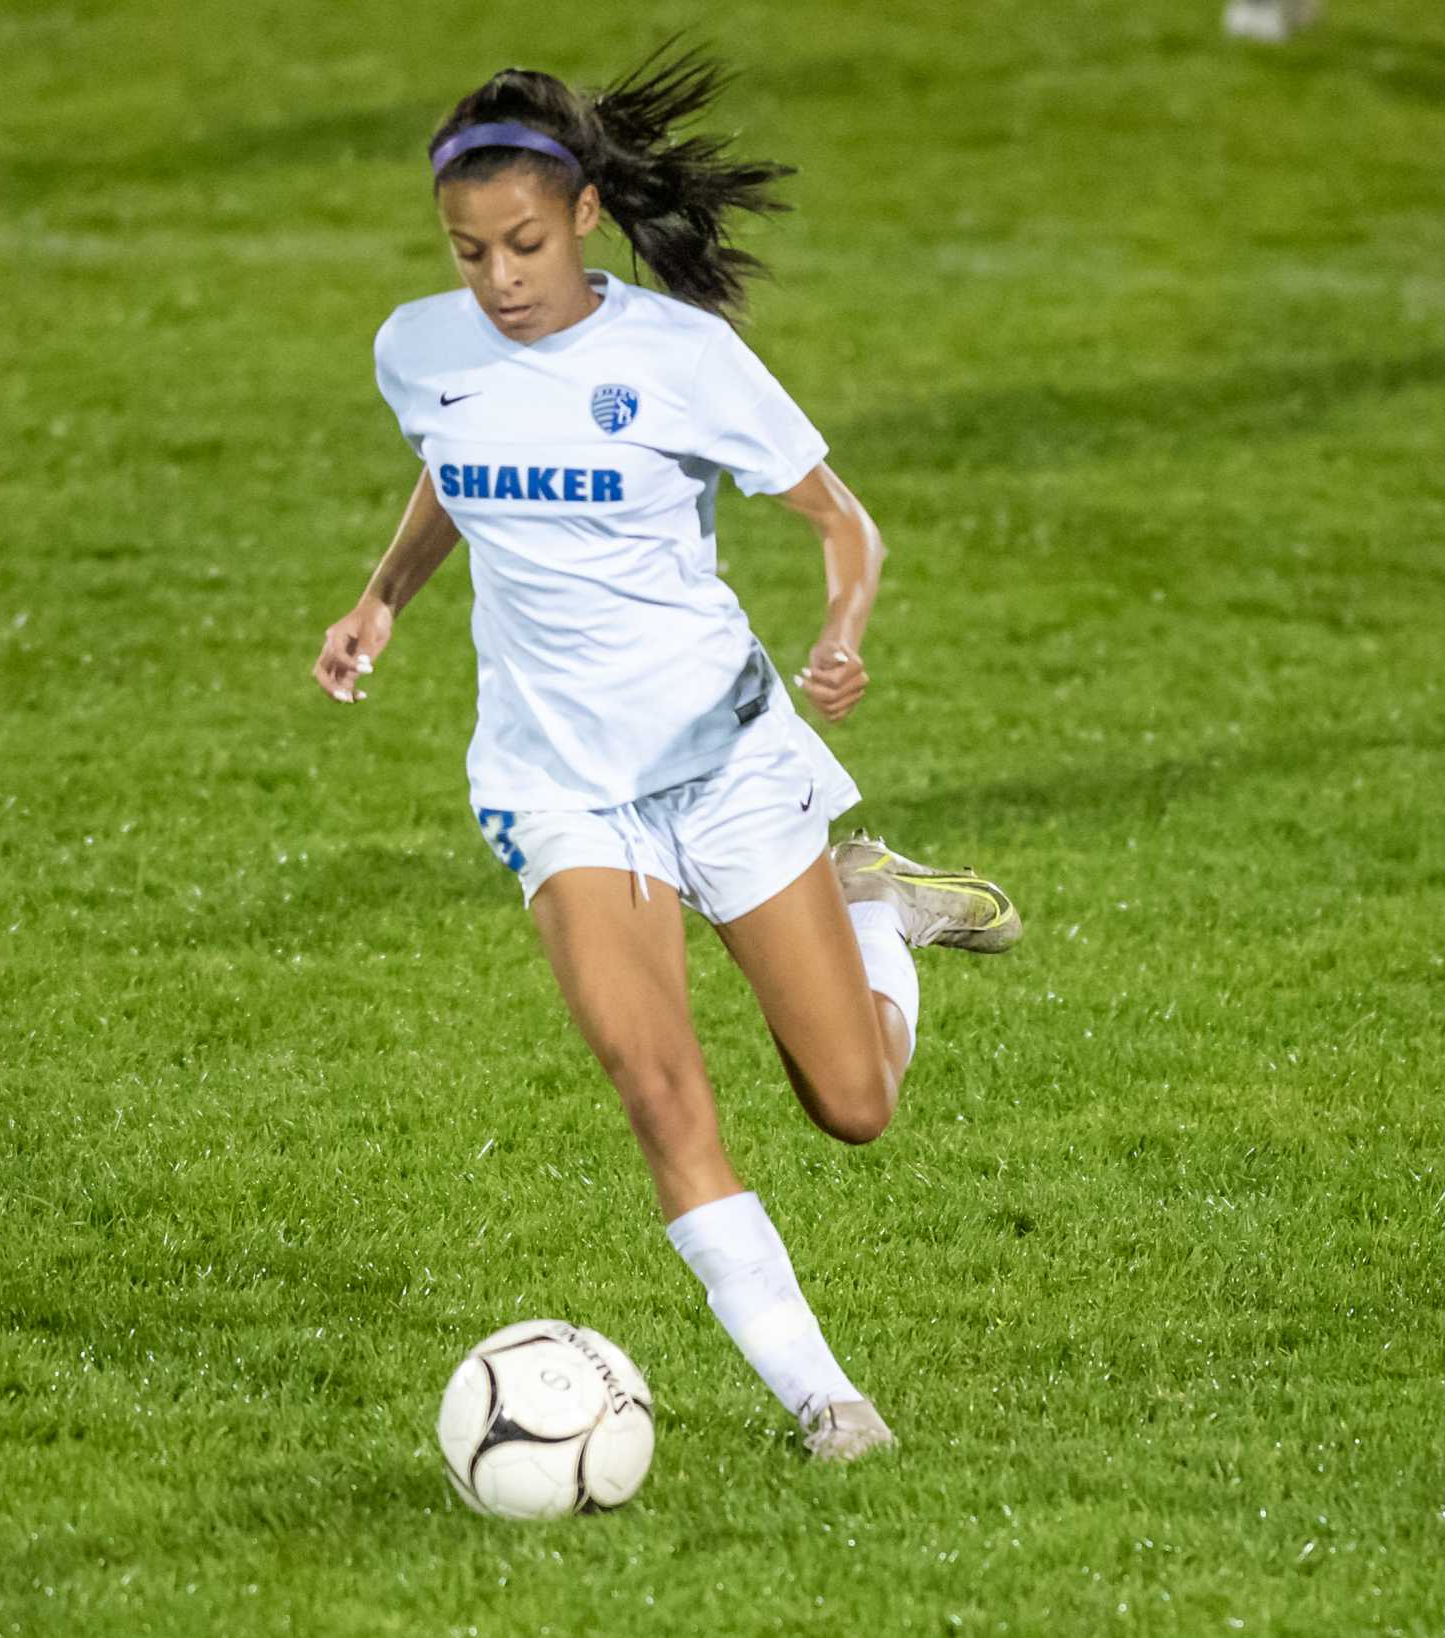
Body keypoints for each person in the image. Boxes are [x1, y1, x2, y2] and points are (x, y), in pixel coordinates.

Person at [312, 48, 1023, 1462]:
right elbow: (459, 466)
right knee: (660, 1088)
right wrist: (381, 597)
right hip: (556, 780)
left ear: (583, 214)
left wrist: (844, 624)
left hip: (725, 758)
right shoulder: (419, 348)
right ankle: (829, 1401)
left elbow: (842, 521)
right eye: (467, 254)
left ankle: (872, 903)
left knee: (855, 1104)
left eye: (521, 245)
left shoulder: (681, 358)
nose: (497, 280)